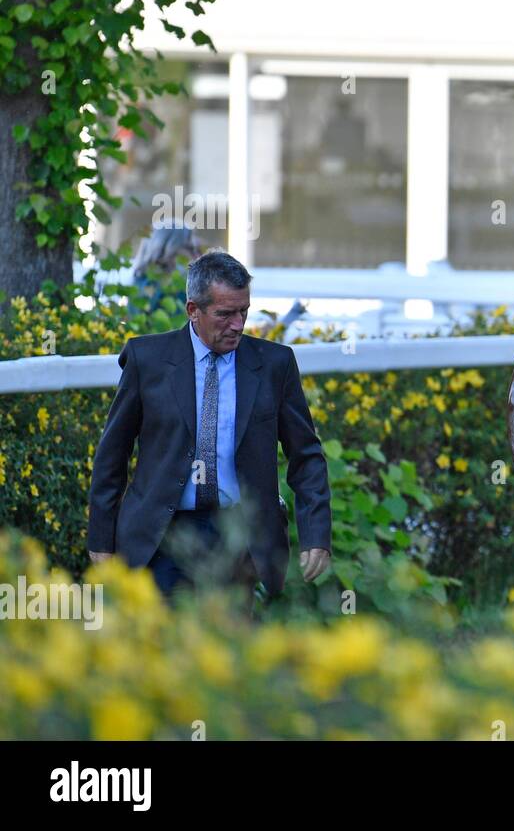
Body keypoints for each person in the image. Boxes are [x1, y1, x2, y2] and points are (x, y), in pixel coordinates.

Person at [88, 251, 332, 599]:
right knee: (159, 647)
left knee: (233, 647)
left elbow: (306, 455)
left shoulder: (275, 365)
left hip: (239, 537)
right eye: (225, 314)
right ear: (193, 310)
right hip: (161, 538)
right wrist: (100, 539)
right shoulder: (148, 360)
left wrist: (316, 534)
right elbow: (113, 453)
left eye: (243, 312)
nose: (238, 324)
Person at [131, 222, 201, 314]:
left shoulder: (136, 285)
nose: (197, 257)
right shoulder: (179, 292)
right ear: (166, 248)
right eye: (190, 248)